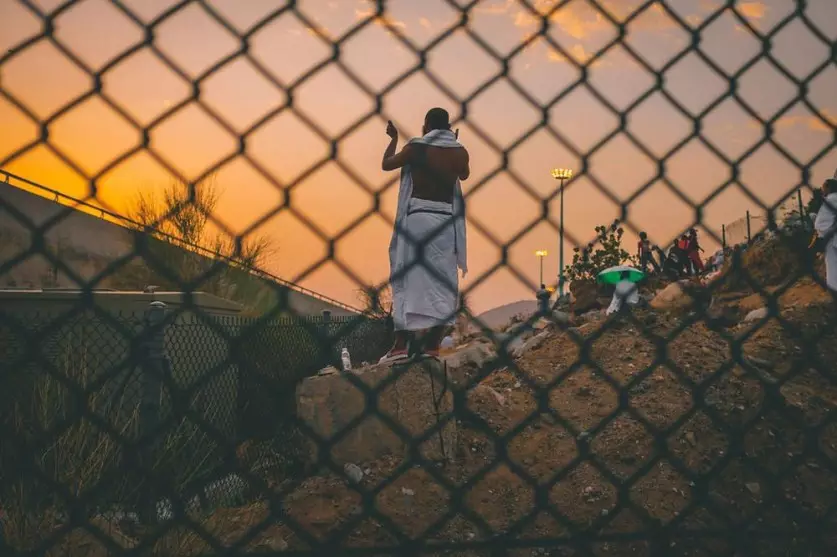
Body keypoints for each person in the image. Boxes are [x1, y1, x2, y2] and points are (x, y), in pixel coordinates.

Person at [379, 108, 470, 361]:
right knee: (444, 280)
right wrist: (453, 143)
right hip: (445, 221)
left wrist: (393, 140)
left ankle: (400, 345)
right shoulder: (460, 152)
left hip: (417, 217)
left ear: (427, 124)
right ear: (448, 126)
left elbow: (387, 164)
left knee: (407, 276)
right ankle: (432, 344)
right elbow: (463, 174)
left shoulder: (416, 148)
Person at [814, 175, 837, 293]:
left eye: (823, 187)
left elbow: (820, 224)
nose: (822, 190)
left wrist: (823, 236)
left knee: (833, 269)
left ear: (829, 187)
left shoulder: (832, 198)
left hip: (833, 240)